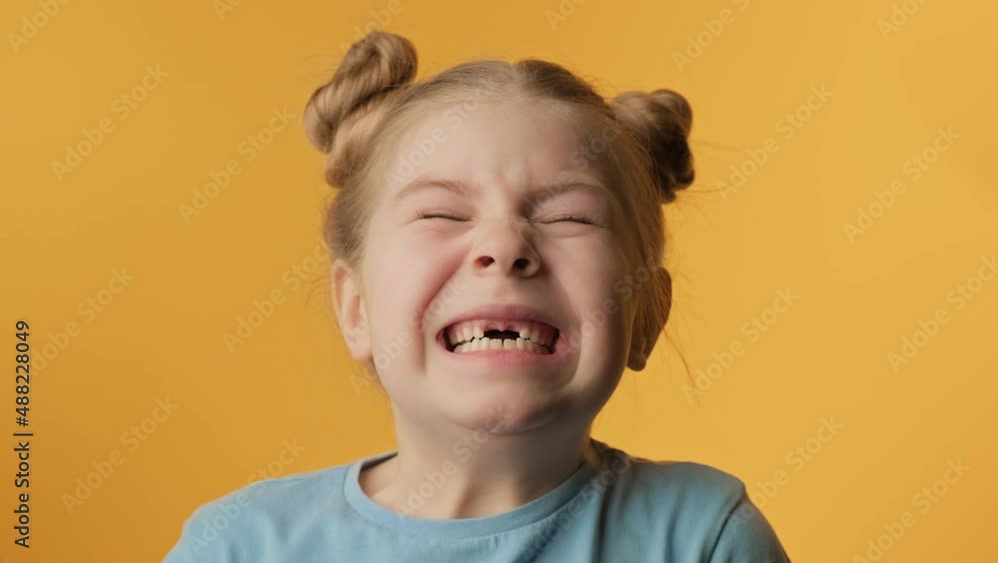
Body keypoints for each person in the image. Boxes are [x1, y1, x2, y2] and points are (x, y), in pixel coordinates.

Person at [163, 30, 792, 562]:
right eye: (441, 212)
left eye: (569, 217)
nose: (504, 244)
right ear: (356, 309)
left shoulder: (702, 538)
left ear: (647, 314)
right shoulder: (240, 545)